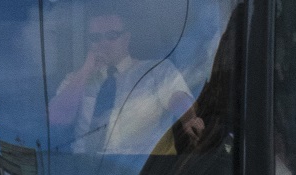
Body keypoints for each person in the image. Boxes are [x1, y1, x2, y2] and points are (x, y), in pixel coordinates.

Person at [48, 9, 198, 155]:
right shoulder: (76, 78)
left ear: (126, 39)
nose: (103, 43)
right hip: (83, 165)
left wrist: (189, 119)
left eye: (111, 36)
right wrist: (85, 71)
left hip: (139, 165)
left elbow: (178, 98)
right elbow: (57, 119)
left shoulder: (157, 70)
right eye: (95, 38)